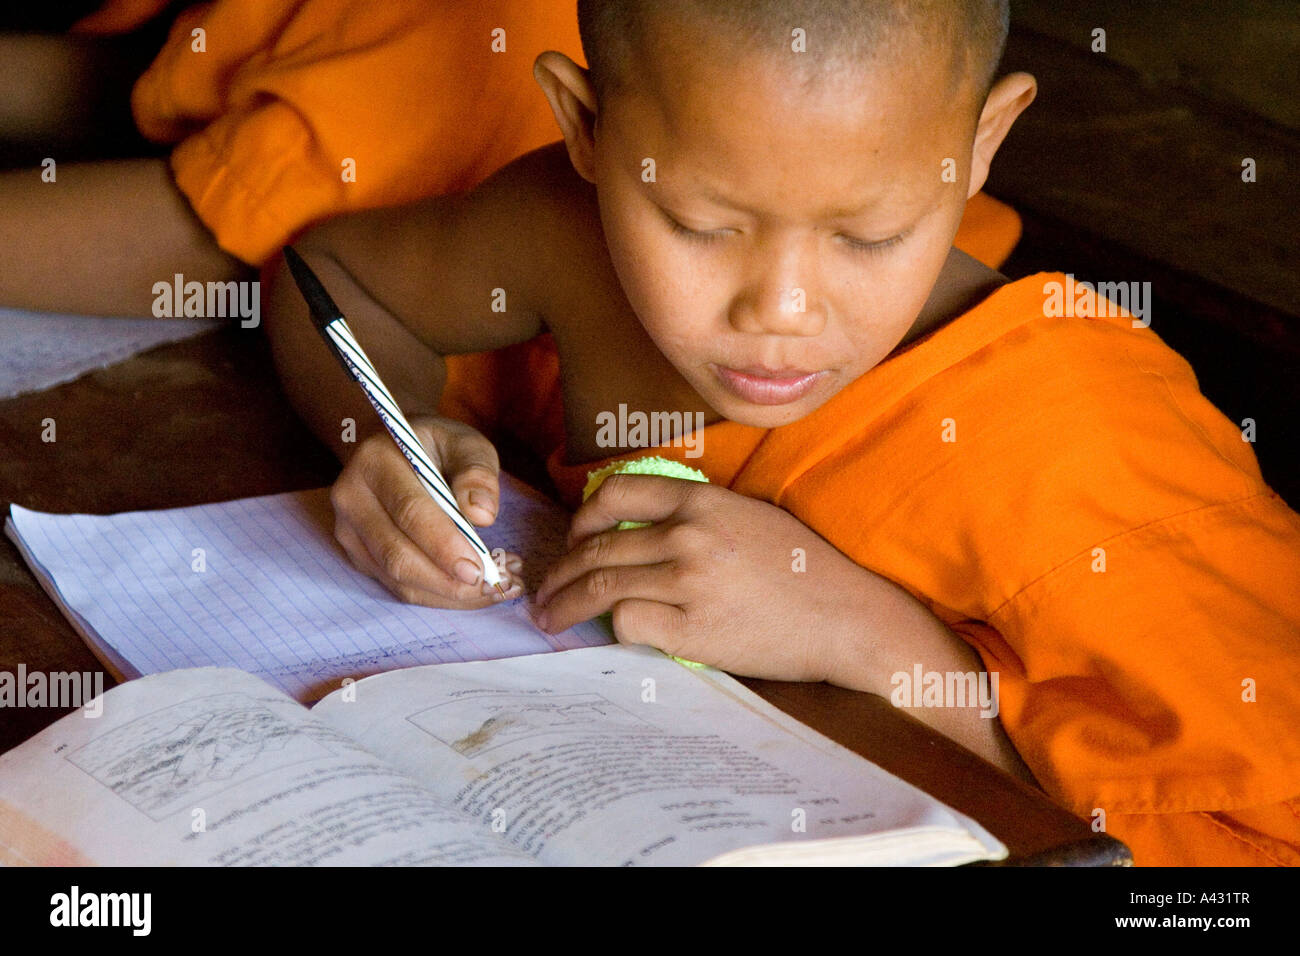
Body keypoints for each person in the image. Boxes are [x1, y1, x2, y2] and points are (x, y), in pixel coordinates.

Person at [263, 0, 1300, 866]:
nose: (782, 310)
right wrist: (396, 432)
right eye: (702, 225)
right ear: (587, 127)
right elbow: (331, 281)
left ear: (980, 146)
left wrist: (869, 640)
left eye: (867, 234)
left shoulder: (1081, 452)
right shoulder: (566, 238)